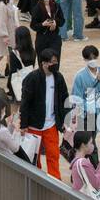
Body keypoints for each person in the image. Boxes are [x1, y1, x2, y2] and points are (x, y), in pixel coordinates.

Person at [20, 48, 70, 180]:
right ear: (44, 63)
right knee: (34, 158)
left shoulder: (58, 77)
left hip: (51, 124)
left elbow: (65, 99)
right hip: (34, 125)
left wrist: (66, 120)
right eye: (53, 62)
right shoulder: (32, 78)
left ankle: (55, 182)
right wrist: (24, 124)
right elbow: (25, 103)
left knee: (53, 155)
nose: (56, 64)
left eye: (56, 61)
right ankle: (37, 181)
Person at [0, 97, 29, 161]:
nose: (4, 114)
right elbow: (15, 148)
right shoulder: (2, 131)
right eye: (3, 111)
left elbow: (5, 137)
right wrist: (17, 131)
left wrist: (11, 125)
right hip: (7, 160)